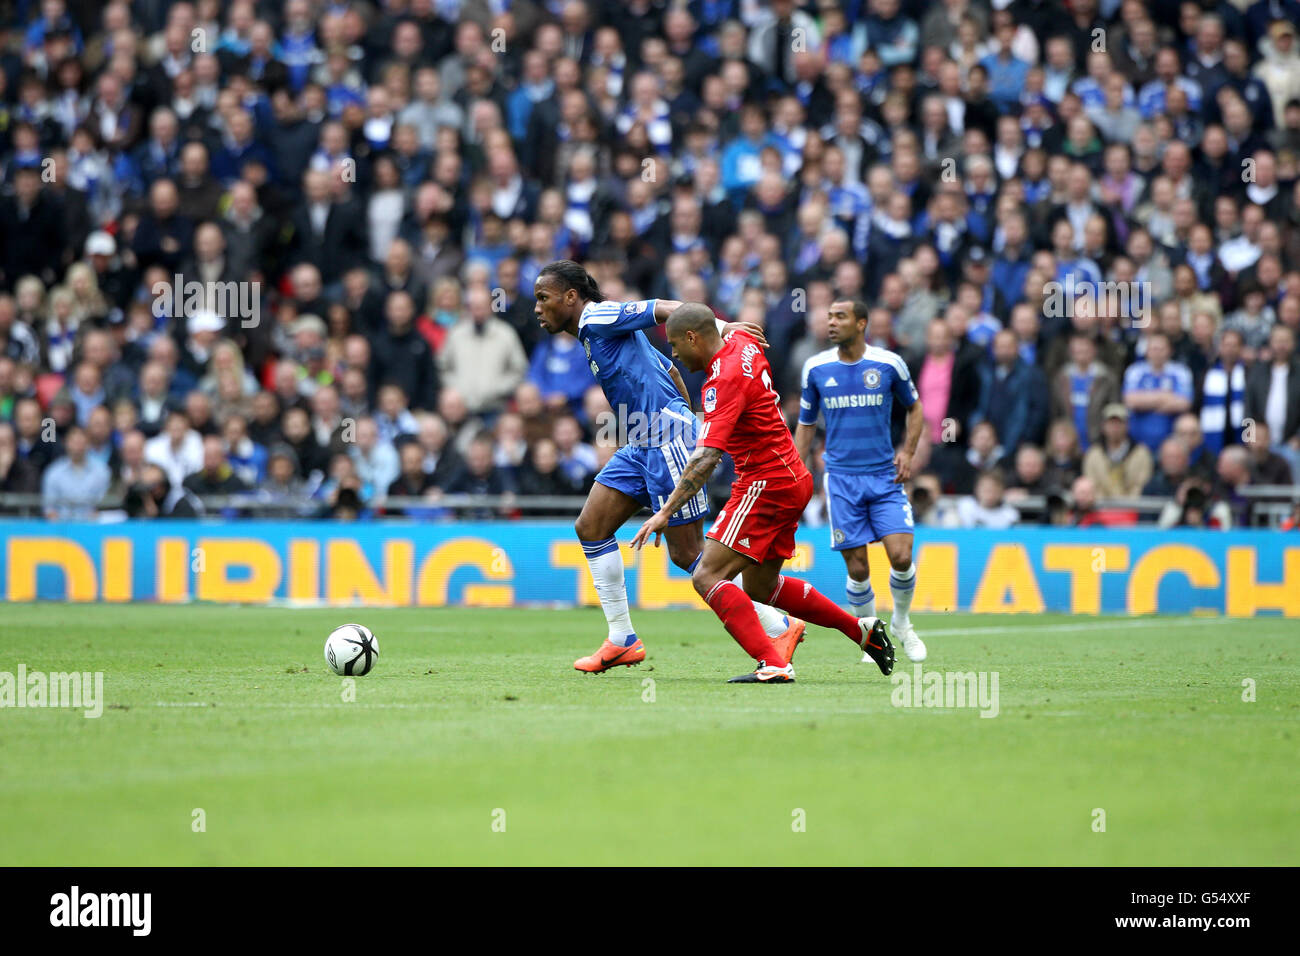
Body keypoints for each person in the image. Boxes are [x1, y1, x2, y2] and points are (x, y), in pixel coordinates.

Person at [532, 260, 803, 673]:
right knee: (591, 527)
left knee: (688, 554)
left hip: (663, 438)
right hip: (642, 440)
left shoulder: (598, 315)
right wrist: (687, 414)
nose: (537, 307)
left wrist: (723, 328)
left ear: (570, 297)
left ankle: (778, 624)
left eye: (543, 298)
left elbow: (660, 307)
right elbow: (671, 367)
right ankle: (622, 638)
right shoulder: (602, 335)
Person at [630, 303, 896, 684]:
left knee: (707, 574)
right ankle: (862, 631)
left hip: (765, 481)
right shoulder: (740, 341)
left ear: (693, 338)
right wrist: (729, 325)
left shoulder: (721, 383)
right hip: (792, 476)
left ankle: (772, 662)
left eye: (674, 344)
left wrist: (665, 511)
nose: (673, 354)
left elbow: (707, 458)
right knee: (760, 586)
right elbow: (730, 330)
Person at [792, 298, 928, 664]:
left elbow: (915, 407)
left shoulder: (888, 364)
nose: (832, 322)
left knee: (900, 555)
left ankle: (901, 623)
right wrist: (794, 467)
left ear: (862, 323)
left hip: (885, 476)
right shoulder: (816, 368)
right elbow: (805, 424)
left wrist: (909, 452)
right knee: (858, 567)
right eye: (829, 316)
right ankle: (872, 635)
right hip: (840, 481)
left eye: (840, 316)